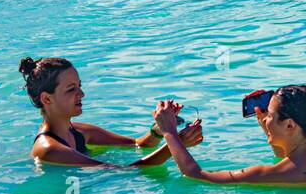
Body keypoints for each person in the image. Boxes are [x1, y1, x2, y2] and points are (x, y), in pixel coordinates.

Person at [19, 57, 202, 168]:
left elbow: (139, 145)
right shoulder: (48, 149)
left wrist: (159, 130)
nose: (81, 94)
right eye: (71, 89)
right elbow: (124, 171)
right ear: (47, 99)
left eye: (79, 86)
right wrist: (176, 142)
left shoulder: (80, 131)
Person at [152, 85, 306, 186]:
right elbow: (286, 157)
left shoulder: (265, 174)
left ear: (290, 124)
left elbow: (197, 176)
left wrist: (169, 131)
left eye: (270, 116)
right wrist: (268, 127)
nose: (265, 119)